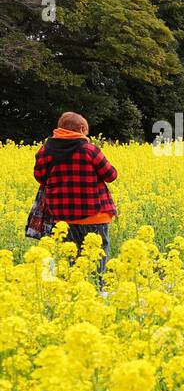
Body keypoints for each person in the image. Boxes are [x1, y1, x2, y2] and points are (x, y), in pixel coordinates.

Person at [32, 111, 117, 275]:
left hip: (62, 218)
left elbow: (40, 177)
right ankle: (96, 292)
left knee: (70, 256)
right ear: (82, 128)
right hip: (94, 215)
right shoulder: (89, 150)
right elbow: (111, 175)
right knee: (96, 255)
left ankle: (73, 293)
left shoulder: (44, 151)